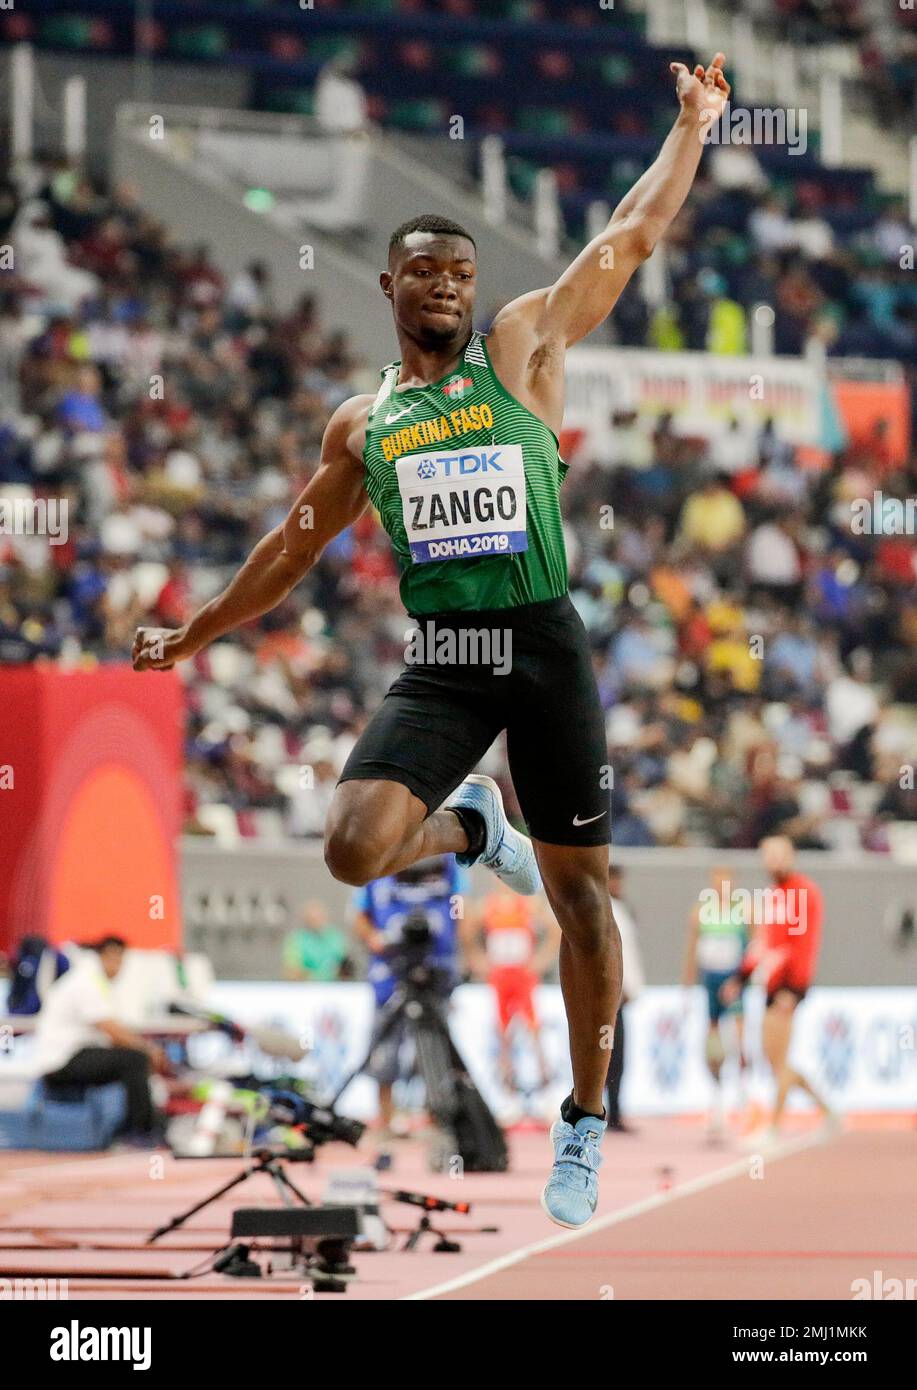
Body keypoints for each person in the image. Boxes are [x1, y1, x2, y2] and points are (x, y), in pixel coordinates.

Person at [132, 52, 732, 1228]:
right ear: (389, 284)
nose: (450, 283)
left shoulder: (522, 348)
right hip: (447, 656)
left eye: (461, 268)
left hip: (543, 644)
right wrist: (197, 632)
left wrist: (694, 125)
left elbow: (629, 233)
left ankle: (581, 1120)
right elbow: (289, 548)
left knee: (581, 905)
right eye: (427, 270)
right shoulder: (367, 424)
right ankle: (470, 825)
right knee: (353, 849)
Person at [721, 836, 834, 1143]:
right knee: (776, 1062)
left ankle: (773, 1127)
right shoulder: (771, 896)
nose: (772, 861)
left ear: (792, 856)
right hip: (771, 986)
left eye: (778, 855)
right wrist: (739, 979)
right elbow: (762, 944)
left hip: (788, 987)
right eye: (767, 855)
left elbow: (804, 944)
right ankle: (830, 1112)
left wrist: (793, 989)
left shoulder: (804, 892)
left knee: (779, 1060)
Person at [351, 855, 466, 1137]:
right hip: (390, 971)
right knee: (385, 1047)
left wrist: (455, 946)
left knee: (436, 1047)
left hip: (435, 967)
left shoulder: (449, 861)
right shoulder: (376, 856)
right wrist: (376, 940)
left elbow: (463, 908)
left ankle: (437, 1121)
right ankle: (386, 1122)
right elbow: (358, 915)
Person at [33, 936, 168, 1145]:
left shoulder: (95, 982)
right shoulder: (85, 981)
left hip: (76, 1055)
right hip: (61, 1062)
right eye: (118, 960)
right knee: (136, 1059)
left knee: (134, 1060)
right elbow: (109, 1027)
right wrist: (148, 1050)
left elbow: (108, 1033)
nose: (120, 968)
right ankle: (139, 1130)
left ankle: (138, 1125)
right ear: (106, 955)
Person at [465, 880, 560, 1108]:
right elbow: (466, 931)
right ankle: (507, 1090)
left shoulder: (528, 903)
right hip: (500, 975)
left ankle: (546, 1087)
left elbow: (554, 929)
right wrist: (477, 960)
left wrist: (541, 960)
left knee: (533, 1028)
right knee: (503, 1031)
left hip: (523, 974)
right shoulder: (488, 906)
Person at [682, 865, 749, 1141]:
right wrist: (686, 987)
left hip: (734, 981)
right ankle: (718, 1105)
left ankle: (744, 1102)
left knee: (739, 1041)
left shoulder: (745, 911)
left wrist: (746, 982)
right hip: (710, 981)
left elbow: (754, 947)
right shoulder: (700, 912)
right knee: (713, 1046)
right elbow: (692, 951)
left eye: (726, 881)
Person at [605, 865, 645, 1134]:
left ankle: (615, 1111)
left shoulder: (622, 909)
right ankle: (604, 1112)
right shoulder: (605, 909)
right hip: (609, 997)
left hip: (620, 997)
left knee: (618, 1057)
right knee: (608, 1057)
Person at [282, 899, 349, 981]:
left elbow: (346, 967)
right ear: (306, 919)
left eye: (319, 917)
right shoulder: (296, 940)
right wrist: (316, 976)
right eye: (312, 919)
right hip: (305, 990)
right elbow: (291, 971)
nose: (317, 921)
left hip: (334, 989)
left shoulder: (336, 938)